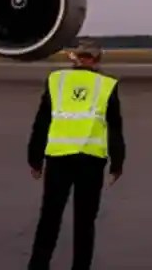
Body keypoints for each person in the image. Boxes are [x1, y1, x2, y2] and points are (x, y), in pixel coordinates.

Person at [27, 39, 125, 270]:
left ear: (76, 58)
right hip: (90, 160)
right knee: (85, 222)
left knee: (49, 218)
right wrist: (117, 163)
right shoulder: (107, 84)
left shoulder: (57, 80)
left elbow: (42, 122)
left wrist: (35, 157)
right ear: (96, 59)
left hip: (59, 158)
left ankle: (38, 266)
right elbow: (115, 126)